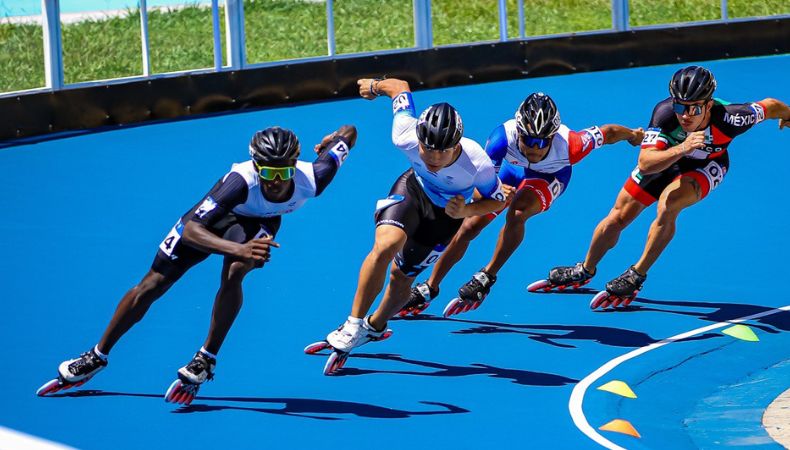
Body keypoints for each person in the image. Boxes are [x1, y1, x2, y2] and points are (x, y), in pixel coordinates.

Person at [37, 125, 358, 404]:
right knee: (152, 285)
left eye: (283, 172)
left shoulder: (315, 176)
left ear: (294, 166)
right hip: (209, 223)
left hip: (257, 224)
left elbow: (349, 133)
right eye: (268, 173)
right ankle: (97, 355)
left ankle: (206, 359)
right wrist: (238, 248)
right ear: (255, 166)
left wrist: (332, 139)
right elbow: (192, 229)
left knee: (235, 273)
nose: (275, 182)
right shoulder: (238, 181)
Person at [536, 65, 790, 309]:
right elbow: (646, 164)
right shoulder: (665, 113)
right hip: (666, 158)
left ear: (709, 105)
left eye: (694, 108)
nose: (686, 115)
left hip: (706, 166)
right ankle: (585, 269)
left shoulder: (733, 118)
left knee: (668, 204)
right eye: (681, 106)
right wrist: (684, 146)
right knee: (618, 216)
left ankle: (637, 274)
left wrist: (788, 116)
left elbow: (770, 106)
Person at [308, 77, 511, 375]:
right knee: (386, 245)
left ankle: (374, 327)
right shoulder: (404, 133)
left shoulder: (477, 163)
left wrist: (467, 209)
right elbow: (400, 86)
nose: (433, 157)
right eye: (427, 148)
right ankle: (353, 325)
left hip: (445, 216)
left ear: (457, 145)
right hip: (412, 190)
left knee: (400, 279)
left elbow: (497, 201)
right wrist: (375, 86)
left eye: (443, 151)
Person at [397, 92, 644, 317]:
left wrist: (633, 135)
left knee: (517, 212)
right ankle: (429, 287)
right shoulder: (500, 139)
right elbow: (480, 190)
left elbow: (609, 132)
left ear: (552, 136)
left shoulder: (571, 145)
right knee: (469, 226)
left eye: (542, 142)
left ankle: (487, 276)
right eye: (529, 140)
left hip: (550, 176)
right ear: (519, 131)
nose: (535, 148)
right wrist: (493, 193)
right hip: (511, 172)